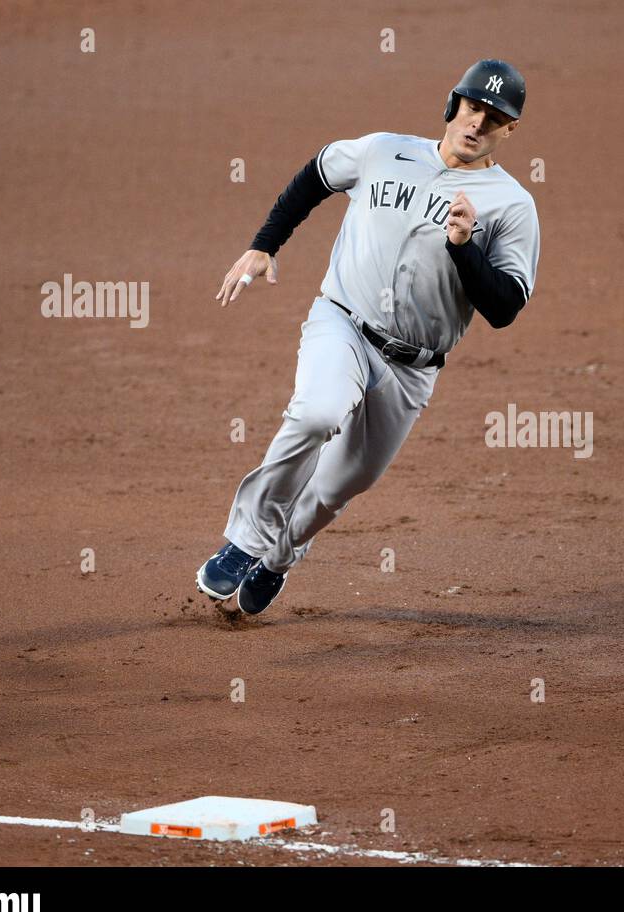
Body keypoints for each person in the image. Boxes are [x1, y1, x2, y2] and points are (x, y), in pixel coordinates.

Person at [196, 59, 540, 615]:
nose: (478, 123)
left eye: (495, 118)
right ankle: (246, 540)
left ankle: (278, 557)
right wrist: (265, 244)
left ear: (509, 131)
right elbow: (318, 174)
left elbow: (505, 307)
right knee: (315, 414)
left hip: (411, 368)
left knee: (337, 489)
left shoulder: (511, 205)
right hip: (343, 323)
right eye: (474, 107)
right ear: (454, 104)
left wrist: (464, 247)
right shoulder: (385, 151)